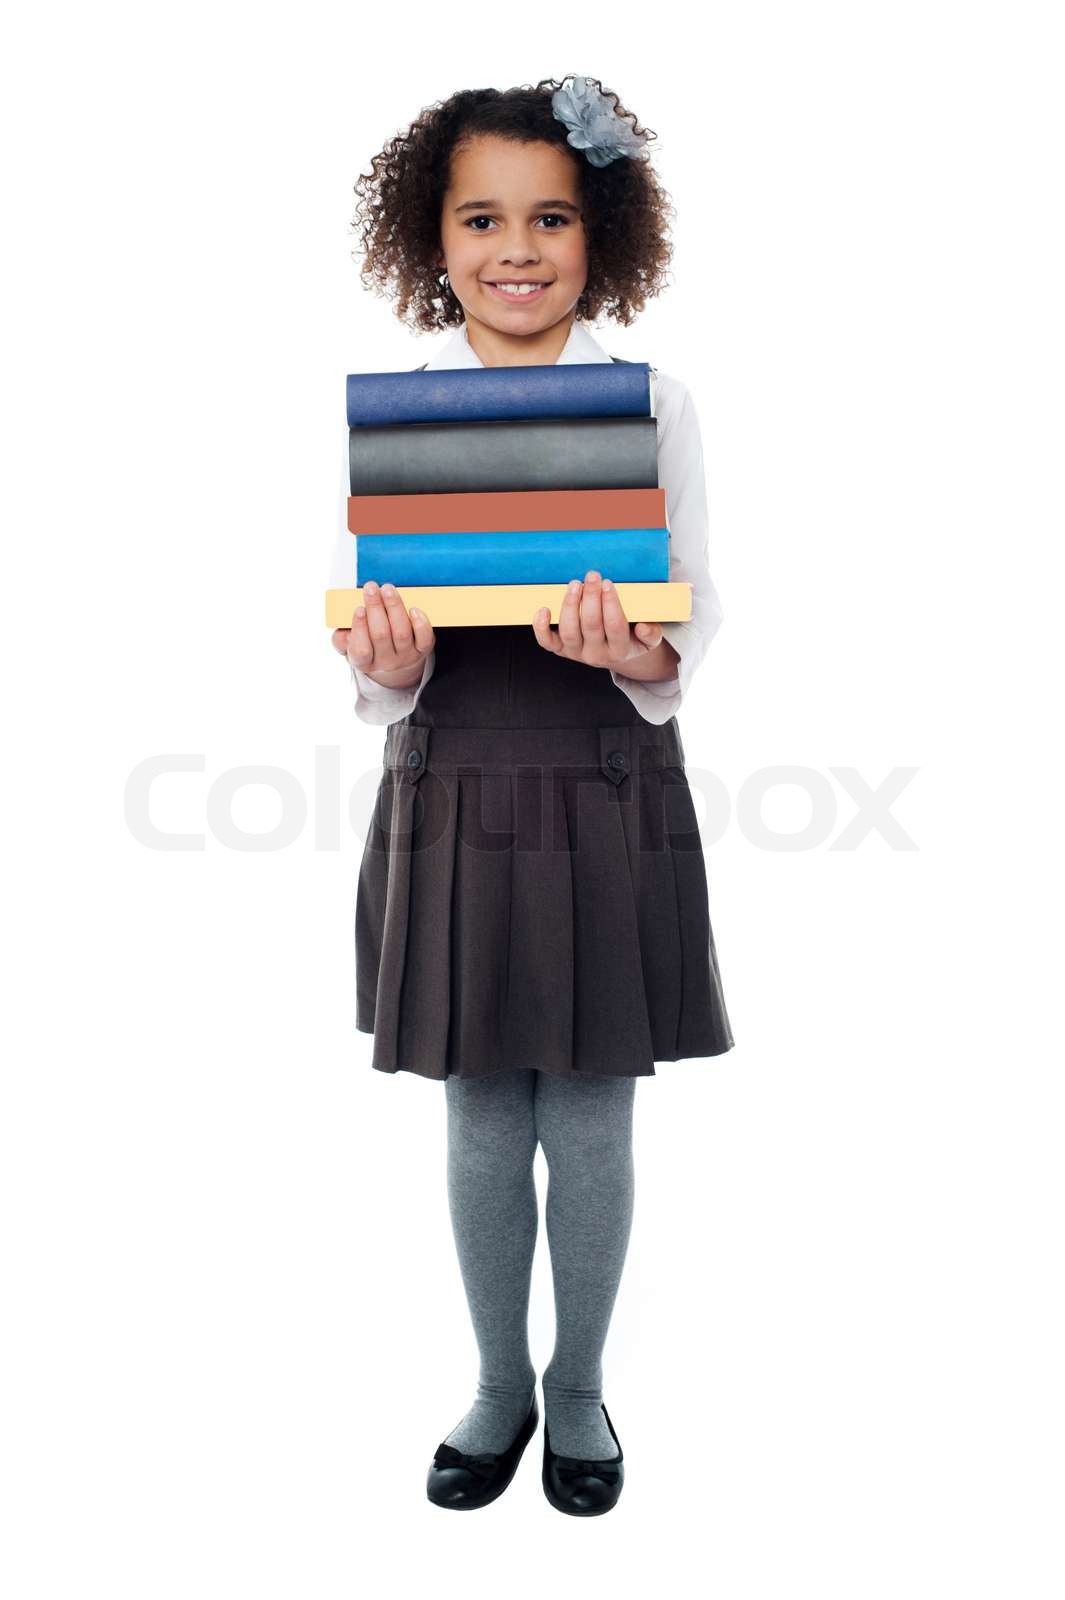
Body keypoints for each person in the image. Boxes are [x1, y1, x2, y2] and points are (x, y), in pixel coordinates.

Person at [329, 75, 735, 1516]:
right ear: (430, 242)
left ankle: (577, 1393)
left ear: (597, 233)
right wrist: (380, 668)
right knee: (481, 1108)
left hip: (609, 781)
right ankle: (499, 1385)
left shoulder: (651, 405)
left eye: (551, 216)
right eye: (482, 217)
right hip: (451, 784)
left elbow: (696, 622)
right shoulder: (401, 428)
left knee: (593, 1111)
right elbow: (377, 660)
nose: (518, 247)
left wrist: (642, 654)